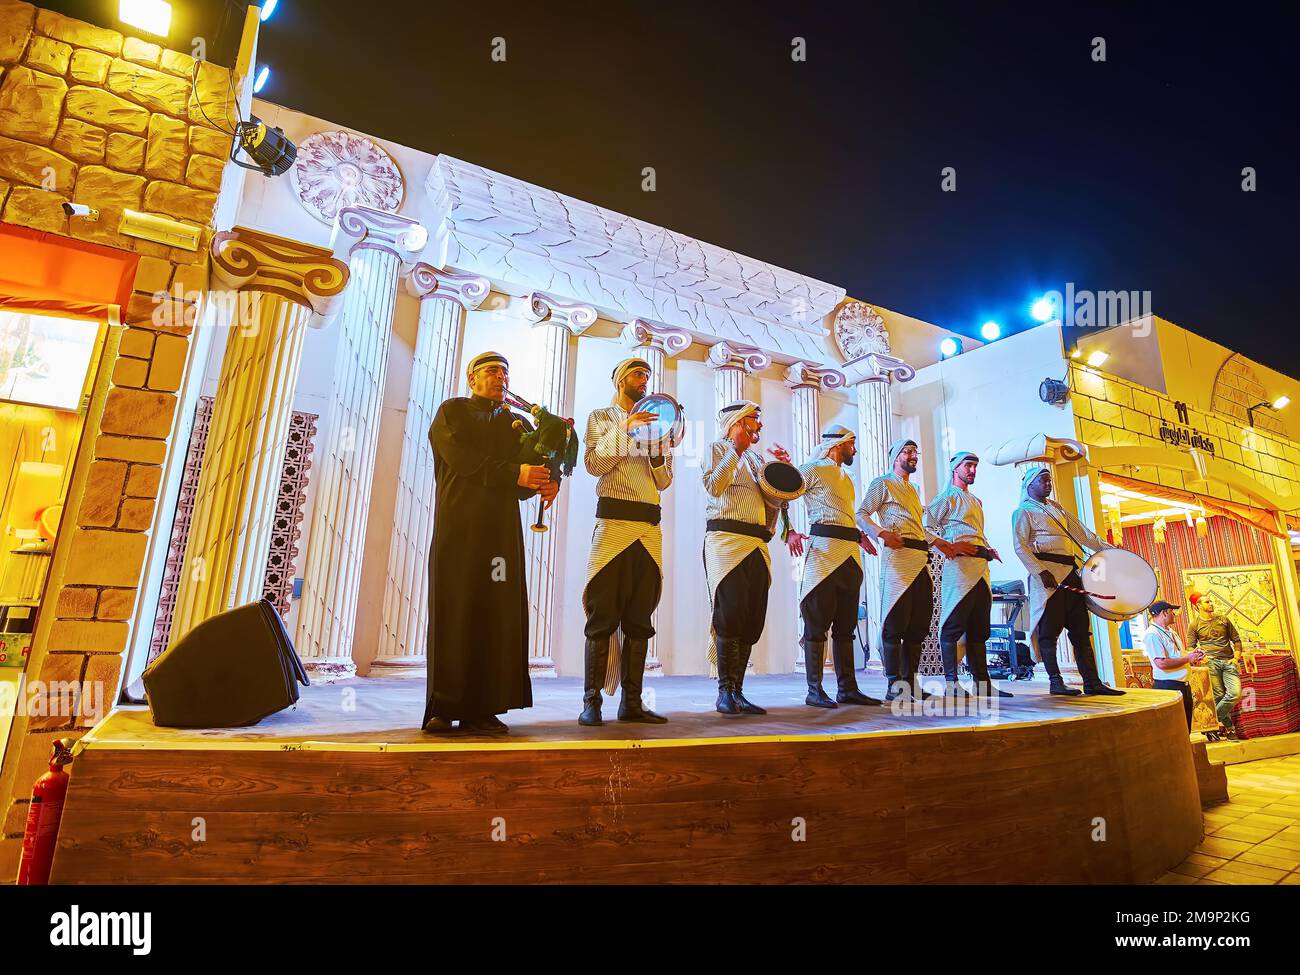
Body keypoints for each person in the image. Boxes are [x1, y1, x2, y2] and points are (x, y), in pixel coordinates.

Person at [422, 351, 559, 734]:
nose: (501, 377)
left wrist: (547, 481)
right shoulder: (452, 411)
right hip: (460, 527)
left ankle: (484, 708)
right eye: (492, 371)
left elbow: (523, 486)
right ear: (472, 377)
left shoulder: (518, 423)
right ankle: (443, 707)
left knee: (496, 612)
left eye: (505, 372)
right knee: (456, 609)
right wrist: (517, 472)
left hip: (501, 533)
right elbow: (461, 459)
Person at [578, 357, 674, 727]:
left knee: (640, 618)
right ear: (620, 380)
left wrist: (657, 452)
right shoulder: (601, 417)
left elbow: (664, 482)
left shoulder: (660, 424)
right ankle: (592, 702)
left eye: (647, 376)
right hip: (614, 524)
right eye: (637, 375)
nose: (643, 381)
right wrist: (625, 426)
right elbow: (594, 465)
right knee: (602, 617)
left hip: (648, 530)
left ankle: (631, 702)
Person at [702, 400, 794, 716]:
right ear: (737, 423)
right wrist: (735, 451)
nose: (760, 426)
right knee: (729, 615)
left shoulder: (757, 461)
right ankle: (724, 692)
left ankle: (739, 692)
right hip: (726, 543)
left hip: (757, 545)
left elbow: (775, 504)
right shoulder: (716, 449)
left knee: (751, 620)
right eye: (754, 420)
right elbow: (714, 487)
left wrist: (784, 474)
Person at [785, 424, 881, 708]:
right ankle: (814, 689)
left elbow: (844, 515)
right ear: (838, 444)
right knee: (816, 624)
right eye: (852, 443)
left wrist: (861, 537)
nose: (855, 449)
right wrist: (788, 531)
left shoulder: (847, 477)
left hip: (850, 555)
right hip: (823, 553)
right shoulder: (812, 468)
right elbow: (782, 495)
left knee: (846, 626)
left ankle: (847, 688)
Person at [857, 439, 959, 701]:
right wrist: (880, 533)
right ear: (895, 456)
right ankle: (894, 685)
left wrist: (938, 541)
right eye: (908, 451)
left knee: (918, 626)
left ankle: (910, 683)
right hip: (898, 559)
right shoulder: (882, 483)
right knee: (894, 624)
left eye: (915, 451)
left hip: (920, 559)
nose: (913, 455)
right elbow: (862, 514)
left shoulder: (913, 490)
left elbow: (917, 526)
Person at [1011, 467, 1124, 696]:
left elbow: (1084, 535)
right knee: (1049, 632)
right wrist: (1040, 571)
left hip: (1071, 572)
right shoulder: (1023, 511)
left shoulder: (1058, 509)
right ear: (1030, 484)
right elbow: (1020, 546)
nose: (1048, 483)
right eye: (1043, 480)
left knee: (1081, 630)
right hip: (1048, 577)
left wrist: (1114, 552)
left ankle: (1092, 682)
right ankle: (1055, 681)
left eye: (1049, 479)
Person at [925, 451, 1012, 698]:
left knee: (978, 629)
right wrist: (950, 546)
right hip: (960, 568)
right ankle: (952, 683)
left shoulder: (977, 501)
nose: (972, 471)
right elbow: (925, 527)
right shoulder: (945, 498)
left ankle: (982, 684)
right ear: (955, 468)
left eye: (975, 466)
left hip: (981, 569)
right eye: (968, 466)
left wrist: (987, 548)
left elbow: (975, 531)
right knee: (952, 625)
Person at [1186, 595, 1243, 739]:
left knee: (1235, 694)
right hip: (1211, 663)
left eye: (1210, 601)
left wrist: (1236, 658)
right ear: (1198, 605)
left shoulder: (1223, 619)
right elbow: (1190, 647)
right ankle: (1230, 730)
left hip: (1229, 661)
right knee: (1218, 696)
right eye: (1207, 602)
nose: (1210, 603)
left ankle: (1210, 723)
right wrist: (1202, 657)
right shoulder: (1194, 625)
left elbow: (1236, 640)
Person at [1143, 600, 1203, 731]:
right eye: (1171, 612)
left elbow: (1178, 654)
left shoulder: (1171, 632)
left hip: (1183, 685)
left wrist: (1193, 655)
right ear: (1164, 613)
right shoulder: (1153, 634)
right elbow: (1161, 663)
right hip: (1168, 686)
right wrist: (1188, 658)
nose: (1174, 615)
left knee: (1185, 728)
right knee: (1173, 729)